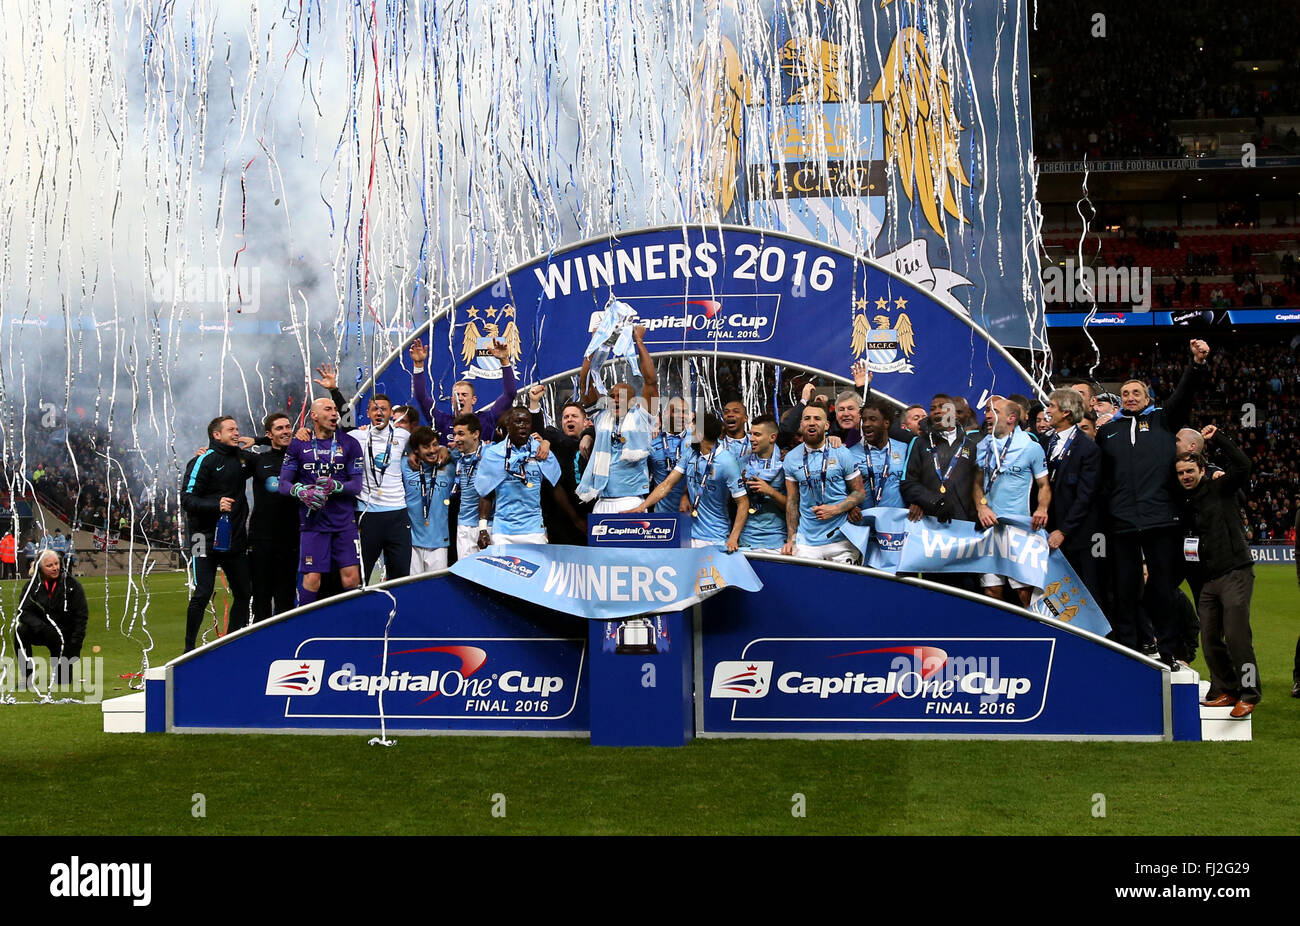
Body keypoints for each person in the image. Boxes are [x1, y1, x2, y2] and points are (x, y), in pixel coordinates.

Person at [1097, 338, 1210, 665]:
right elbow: (1103, 478)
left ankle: (1169, 651)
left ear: (1148, 399)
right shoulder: (1109, 432)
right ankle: (1130, 647)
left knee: (1163, 589)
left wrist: (1197, 363)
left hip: (1161, 519)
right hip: (1122, 522)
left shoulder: (1163, 420)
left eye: (1136, 392)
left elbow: (1185, 394)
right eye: (1125, 394)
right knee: (1126, 590)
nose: (1130, 397)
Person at [1175, 426, 1258, 718]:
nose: (1185, 476)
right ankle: (1226, 690)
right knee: (1209, 639)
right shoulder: (1183, 501)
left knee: (1237, 637)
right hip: (1206, 580)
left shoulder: (1220, 487)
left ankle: (1249, 693)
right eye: (1181, 473)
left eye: (1190, 471)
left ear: (1202, 468)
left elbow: (1244, 465)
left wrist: (1219, 438)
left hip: (1234, 571)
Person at [278, 398, 365, 604]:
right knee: (312, 579)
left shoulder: (350, 443)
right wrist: (301, 492)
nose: (335, 413)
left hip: (344, 522)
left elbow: (357, 485)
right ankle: (307, 628)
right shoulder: (299, 443)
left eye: (336, 409)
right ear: (314, 416)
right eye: (328, 409)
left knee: (352, 578)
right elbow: (283, 484)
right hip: (313, 523)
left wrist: (336, 486)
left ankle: (351, 626)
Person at [181, 416, 256, 652]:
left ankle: (230, 644)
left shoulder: (243, 459)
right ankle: (188, 649)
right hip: (202, 537)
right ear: (216, 435)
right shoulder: (202, 460)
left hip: (233, 538)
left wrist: (257, 439)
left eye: (237, 428)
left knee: (244, 592)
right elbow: (187, 499)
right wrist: (216, 504)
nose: (237, 433)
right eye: (231, 429)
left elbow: (274, 454)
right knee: (202, 592)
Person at [974, 398, 1050, 605]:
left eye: (994, 411)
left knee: (1025, 591)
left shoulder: (1031, 447)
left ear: (1011, 418)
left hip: (1020, 529)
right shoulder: (984, 446)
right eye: (988, 410)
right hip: (990, 528)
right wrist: (981, 506)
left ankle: (1033, 634)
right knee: (991, 591)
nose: (988, 415)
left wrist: (1042, 508)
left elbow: (1043, 485)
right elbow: (977, 484)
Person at [633, 413, 748, 551]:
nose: (690, 432)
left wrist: (733, 538)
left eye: (693, 429)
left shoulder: (727, 462)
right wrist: (642, 507)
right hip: (689, 534)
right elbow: (667, 484)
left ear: (699, 435)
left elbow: (743, 502)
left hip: (715, 537)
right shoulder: (691, 453)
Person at [577, 324, 659, 513]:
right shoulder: (601, 416)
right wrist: (595, 344)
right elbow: (585, 384)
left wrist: (639, 340)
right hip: (602, 499)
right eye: (612, 395)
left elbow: (651, 381)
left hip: (631, 500)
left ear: (633, 401)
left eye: (620, 396)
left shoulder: (643, 415)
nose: (615, 399)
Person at [476, 407, 579, 546]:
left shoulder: (541, 452)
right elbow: (485, 493)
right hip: (503, 531)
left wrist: (576, 520)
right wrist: (483, 530)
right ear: (508, 424)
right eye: (518, 421)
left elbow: (556, 487)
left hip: (534, 530)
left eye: (527, 422)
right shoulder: (494, 454)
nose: (523, 426)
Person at [781, 403, 865, 563]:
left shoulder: (842, 452)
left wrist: (835, 509)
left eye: (817, 418)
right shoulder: (791, 458)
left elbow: (860, 492)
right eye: (807, 418)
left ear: (826, 425)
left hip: (842, 538)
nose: (811, 422)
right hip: (807, 541)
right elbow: (792, 501)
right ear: (801, 425)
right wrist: (791, 539)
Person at [1043, 388, 1103, 601]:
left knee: (1083, 591)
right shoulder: (1046, 442)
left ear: (1066, 412)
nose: (1047, 410)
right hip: (1047, 531)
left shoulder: (1087, 449)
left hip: (1077, 536)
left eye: (1052, 406)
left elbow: (1086, 496)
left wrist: (1064, 530)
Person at [409, 338, 518, 441]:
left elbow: (510, 394)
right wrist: (418, 365)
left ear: (473, 400)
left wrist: (504, 361)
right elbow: (421, 397)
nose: (460, 398)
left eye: (464, 395)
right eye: (457, 395)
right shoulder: (442, 421)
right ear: (452, 400)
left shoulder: (486, 420)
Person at [354, 394, 412, 583]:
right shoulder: (357, 436)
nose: (379, 413)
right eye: (374, 409)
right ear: (368, 413)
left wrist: (444, 450)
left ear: (390, 413)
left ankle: (401, 612)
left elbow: (427, 446)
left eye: (384, 409)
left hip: (397, 514)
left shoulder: (403, 436)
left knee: (401, 576)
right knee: (361, 578)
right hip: (368, 515)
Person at [527, 388, 595, 545]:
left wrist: (589, 434)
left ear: (586, 422)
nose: (569, 419)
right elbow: (540, 432)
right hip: (560, 520)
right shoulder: (555, 442)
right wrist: (534, 403)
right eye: (566, 417)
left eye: (574, 416)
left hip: (591, 515)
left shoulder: (595, 442)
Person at [249, 412, 301, 621]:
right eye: (279, 428)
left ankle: (284, 643)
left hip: (291, 537)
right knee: (261, 596)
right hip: (262, 538)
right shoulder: (258, 460)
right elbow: (227, 456)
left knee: (286, 596)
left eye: (288, 427)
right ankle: (259, 645)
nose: (286, 431)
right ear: (269, 434)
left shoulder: (302, 457)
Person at [14, 549, 88, 689]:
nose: (55, 568)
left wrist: (74, 647)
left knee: (63, 681)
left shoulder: (73, 586)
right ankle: (27, 676)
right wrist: (42, 628)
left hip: (64, 636)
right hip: (42, 631)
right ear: (40, 568)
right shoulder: (31, 586)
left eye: (56, 564)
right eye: (49, 565)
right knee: (20, 631)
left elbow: (81, 618)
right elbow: (23, 612)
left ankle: (62, 668)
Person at [402, 426, 454, 573]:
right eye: (426, 447)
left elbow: (467, 449)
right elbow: (395, 446)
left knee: (436, 591)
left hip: (439, 543)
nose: (432, 450)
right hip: (412, 543)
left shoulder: (449, 465)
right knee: (413, 589)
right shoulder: (407, 465)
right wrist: (409, 452)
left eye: (435, 445)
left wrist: (444, 448)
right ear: (416, 450)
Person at [738, 415, 787, 553]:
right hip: (746, 540)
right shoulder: (742, 463)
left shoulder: (785, 464)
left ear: (772, 438)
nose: (752, 438)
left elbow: (793, 506)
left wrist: (770, 492)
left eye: (757, 434)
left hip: (777, 540)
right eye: (751, 434)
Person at [849, 400, 908, 512]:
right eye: (864, 420)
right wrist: (851, 508)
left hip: (898, 523)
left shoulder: (903, 448)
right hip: (867, 522)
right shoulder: (851, 453)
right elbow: (844, 490)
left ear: (886, 423)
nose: (866, 424)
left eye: (873, 419)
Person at [449, 413, 491, 559]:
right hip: (463, 526)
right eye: (455, 434)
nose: (456, 439)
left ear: (475, 434)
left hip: (488, 524)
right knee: (465, 576)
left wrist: (544, 443)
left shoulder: (491, 452)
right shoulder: (456, 456)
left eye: (461, 434)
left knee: (488, 576)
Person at [650, 395, 692, 516]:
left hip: (690, 512)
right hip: (662, 514)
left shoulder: (697, 440)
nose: (681, 416)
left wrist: (686, 494)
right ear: (667, 413)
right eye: (677, 411)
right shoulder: (653, 441)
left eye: (685, 412)